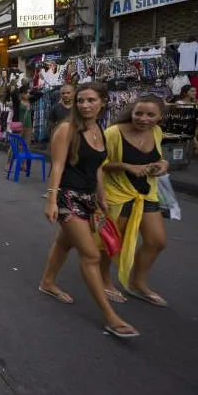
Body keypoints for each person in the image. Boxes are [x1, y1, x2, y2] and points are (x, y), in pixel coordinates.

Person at [38, 83, 139, 338]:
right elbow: (58, 167)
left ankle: (47, 283)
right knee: (92, 255)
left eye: (91, 100)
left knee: (64, 244)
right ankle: (110, 318)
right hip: (67, 198)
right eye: (80, 100)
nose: (84, 105)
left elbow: (97, 168)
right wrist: (51, 201)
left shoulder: (99, 130)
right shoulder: (66, 129)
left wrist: (101, 199)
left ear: (103, 102)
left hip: (88, 198)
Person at [101, 95, 170, 307]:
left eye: (151, 115)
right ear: (131, 112)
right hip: (117, 194)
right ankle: (103, 281)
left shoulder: (157, 132)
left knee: (157, 241)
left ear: (160, 116)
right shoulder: (114, 133)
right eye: (139, 113)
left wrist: (163, 164)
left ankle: (137, 283)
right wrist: (124, 166)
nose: (144, 119)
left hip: (146, 193)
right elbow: (99, 163)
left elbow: (158, 158)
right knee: (111, 244)